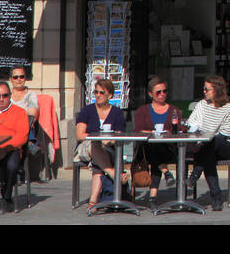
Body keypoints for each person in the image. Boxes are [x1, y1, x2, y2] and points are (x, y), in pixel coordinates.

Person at [186, 75, 230, 211]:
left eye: (207, 89)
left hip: (226, 145)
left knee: (211, 141)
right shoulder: (202, 105)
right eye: (204, 89)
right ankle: (216, 198)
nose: (204, 92)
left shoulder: (229, 108)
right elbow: (191, 123)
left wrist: (205, 137)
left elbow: (227, 134)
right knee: (207, 154)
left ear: (217, 90)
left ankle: (196, 173)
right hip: (206, 146)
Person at [75, 77, 127, 211]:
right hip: (86, 148)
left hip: (109, 150)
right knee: (95, 146)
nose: (97, 96)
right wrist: (97, 138)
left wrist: (110, 140)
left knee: (98, 165)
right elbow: (80, 135)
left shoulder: (117, 113)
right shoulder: (87, 110)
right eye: (95, 92)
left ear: (110, 95)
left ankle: (93, 202)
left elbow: (120, 136)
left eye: (101, 93)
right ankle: (113, 173)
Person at [132, 75, 184, 202]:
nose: (162, 94)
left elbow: (178, 130)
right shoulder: (143, 110)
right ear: (151, 94)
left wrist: (169, 132)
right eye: (158, 92)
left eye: (164, 91)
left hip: (169, 150)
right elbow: (138, 130)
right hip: (146, 151)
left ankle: (153, 197)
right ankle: (164, 174)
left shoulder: (174, 110)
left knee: (158, 151)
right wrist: (154, 132)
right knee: (155, 149)